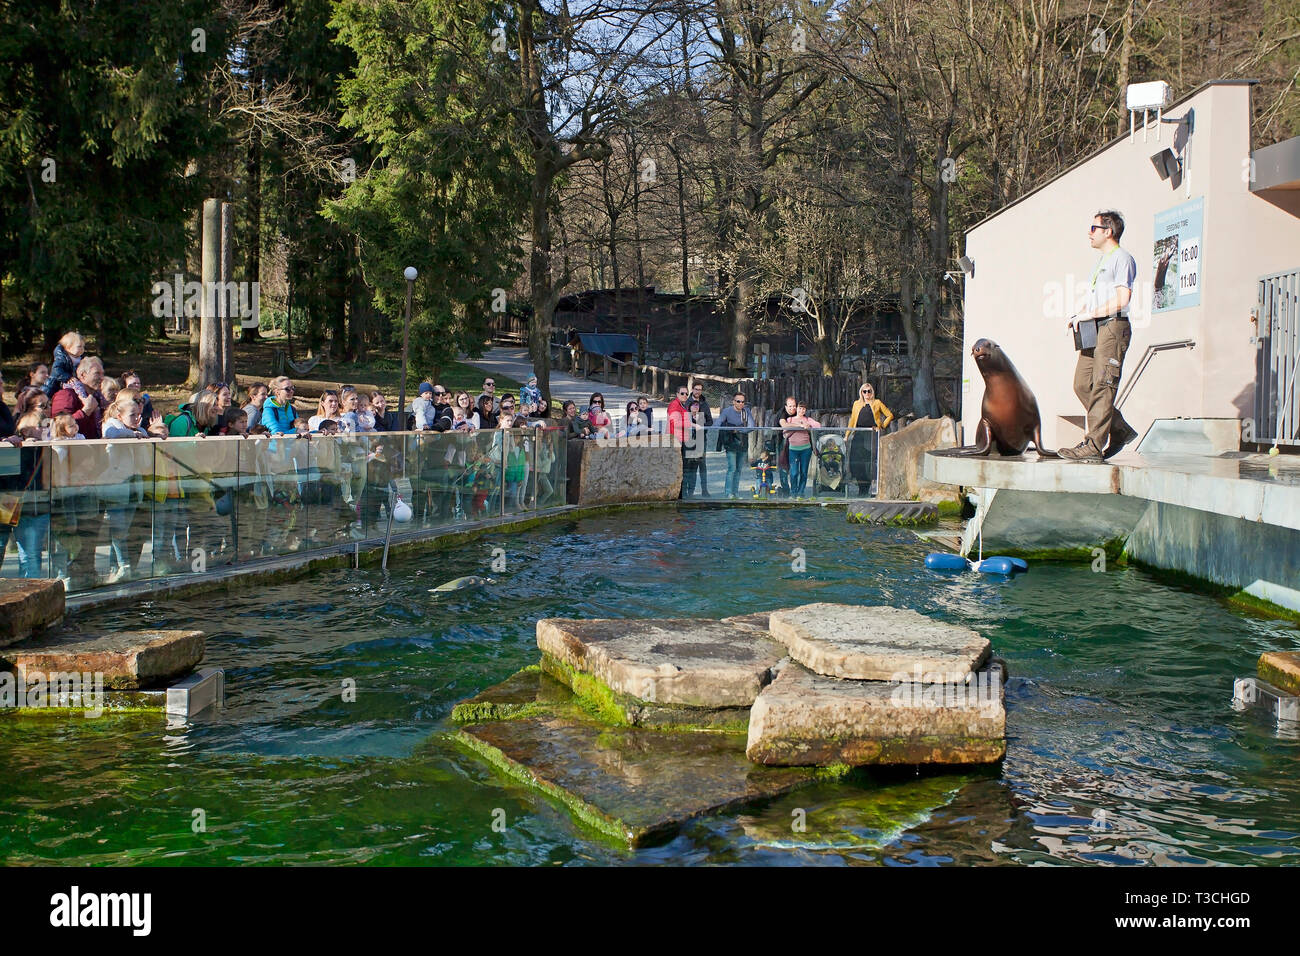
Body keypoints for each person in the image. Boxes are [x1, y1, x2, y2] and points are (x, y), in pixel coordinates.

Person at [1062, 209, 1139, 462]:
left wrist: (1090, 314)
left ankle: (1093, 446)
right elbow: (1098, 299)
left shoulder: (1122, 259)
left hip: (1112, 328)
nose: (1089, 232)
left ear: (1108, 231)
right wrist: (1079, 316)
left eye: (1093, 228)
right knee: (1083, 384)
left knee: (1103, 386)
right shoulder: (1101, 262)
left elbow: (1122, 299)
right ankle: (1119, 429)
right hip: (1095, 327)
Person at [846, 383, 893, 496]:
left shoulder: (877, 403)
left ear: (872, 392)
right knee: (856, 464)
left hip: (871, 436)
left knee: (869, 462)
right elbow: (852, 420)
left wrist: (881, 426)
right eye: (864, 391)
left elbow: (889, 415)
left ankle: (869, 488)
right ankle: (861, 488)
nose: (867, 393)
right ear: (861, 392)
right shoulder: (857, 404)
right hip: (858, 435)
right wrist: (847, 435)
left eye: (869, 391)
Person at [50, 355, 106, 438]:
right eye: (97, 373)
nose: (102, 378)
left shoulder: (98, 398)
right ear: (82, 375)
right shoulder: (66, 395)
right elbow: (57, 426)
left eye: (103, 374)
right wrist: (86, 411)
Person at [715, 392, 753, 499]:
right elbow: (717, 424)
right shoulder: (726, 411)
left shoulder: (746, 411)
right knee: (732, 468)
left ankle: (735, 492)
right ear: (733, 402)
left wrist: (737, 430)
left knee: (738, 469)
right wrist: (732, 429)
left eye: (742, 401)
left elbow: (752, 426)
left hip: (743, 443)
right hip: (731, 444)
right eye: (738, 401)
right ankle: (728, 493)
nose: (741, 403)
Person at [781, 399, 821, 499]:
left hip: (805, 449)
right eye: (799, 408)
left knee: (804, 472)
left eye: (803, 409)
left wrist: (809, 425)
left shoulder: (808, 419)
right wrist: (798, 427)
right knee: (794, 472)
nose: (801, 411)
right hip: (793, 449)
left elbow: (818, 425)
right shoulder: (790, 419)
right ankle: (793, 492)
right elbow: (785, 433)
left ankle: (801, 493)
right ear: (797, 409)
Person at [689, 382, 715, 495]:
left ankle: (704, 490)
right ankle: (690, 491)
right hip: (689, 438)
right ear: (692, 389)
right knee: (691, 466)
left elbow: (710, 421)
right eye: (696, 389)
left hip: (701, 438)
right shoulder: (686, 402)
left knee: (702, 464)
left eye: (700, 389)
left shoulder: (704, 404)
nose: (698, 391)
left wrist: (703, 428)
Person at [42, 331, 85, 397]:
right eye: (79, 346)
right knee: (47, 396)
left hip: (70, 384)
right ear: (68, 348)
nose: (82, 349)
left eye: (83, 346)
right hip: (55, 384)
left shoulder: (79, 358)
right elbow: (56, 370)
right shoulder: (62, 358)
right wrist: (68, 377)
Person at [681, 401, 706, 498]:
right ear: (689, 407)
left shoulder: (700, 417)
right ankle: (684, 492)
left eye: (697, 405)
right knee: (686, 470)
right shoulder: (685, 416)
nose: (696, 407)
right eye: (694, 405)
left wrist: (698, 421)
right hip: (686, 446)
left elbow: (703, 431)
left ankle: (691, 492)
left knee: (694, 470)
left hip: (697, 446)